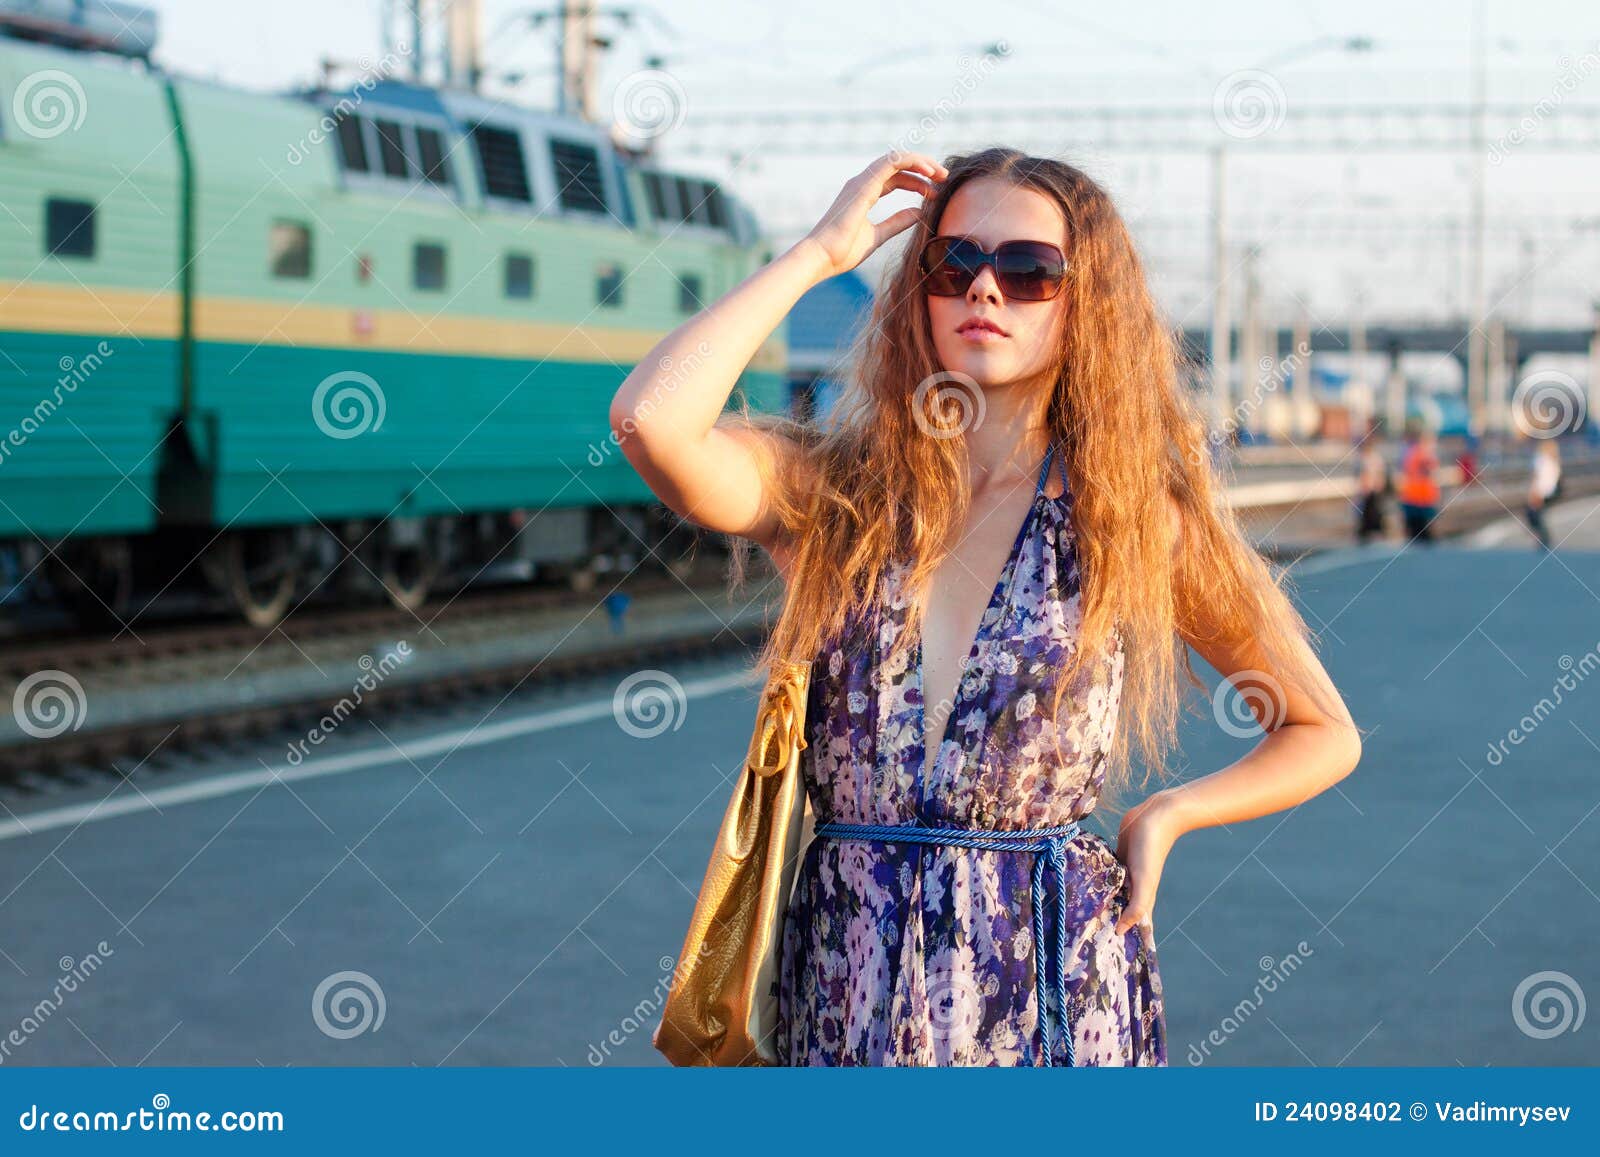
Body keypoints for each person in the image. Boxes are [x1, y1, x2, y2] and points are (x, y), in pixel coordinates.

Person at [612, 148, 1361, 1067]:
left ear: (1088, 302)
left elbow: (1321, 729)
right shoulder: (838, 495)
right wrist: (816, 253)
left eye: (1029, 272)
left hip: (1047, 977)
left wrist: (1170, 811)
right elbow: (652, 422)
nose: (986, 291)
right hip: (847, 979)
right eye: (952, 263)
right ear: (919, 291)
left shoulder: (1131, 517)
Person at [1396, 424, 1441, 543]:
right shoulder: (1425, 454)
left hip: (1413, 497)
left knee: (1415, 535)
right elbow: (1429, 473)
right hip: (1421, 499)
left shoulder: (1409, 452)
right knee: (1423, 534)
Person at [1522, 438, 1562, 550]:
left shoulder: (1540, 460)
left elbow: (1536, 477)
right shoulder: (1554, 462)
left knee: (1533, 514)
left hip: (1540, 492)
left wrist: (1534, 493)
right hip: (1549, 492)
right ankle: (1543, 538)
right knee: (1537, 515)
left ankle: (1543, 538)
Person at [1355, 420, 1389, 543]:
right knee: (1368, 514)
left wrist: (1373, 485)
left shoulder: (1371, 458)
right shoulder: (1366, 457)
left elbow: (1374, 474)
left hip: (1371, 490)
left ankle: (1372, 533)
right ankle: (1369, 533)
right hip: (1369, 490)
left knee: (1373, 513)